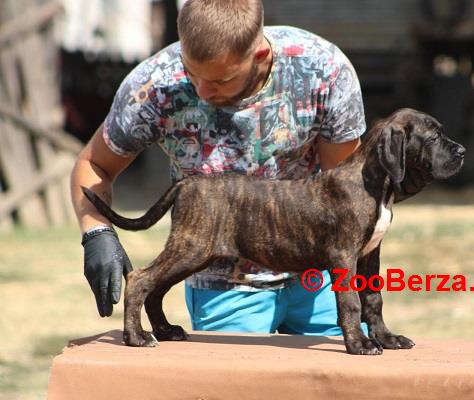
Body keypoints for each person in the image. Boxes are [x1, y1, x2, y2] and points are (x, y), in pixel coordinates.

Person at [70, 0, 366, 336]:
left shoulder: (323, 71)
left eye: (220, 80)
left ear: (259, 57)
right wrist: (97, 232)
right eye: (191, 72)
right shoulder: (156, 83)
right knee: (242, 387)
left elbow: (344, 190)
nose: (201, 90)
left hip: (318, 278)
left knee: (342, 383)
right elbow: (94, 163)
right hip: (225, 288)